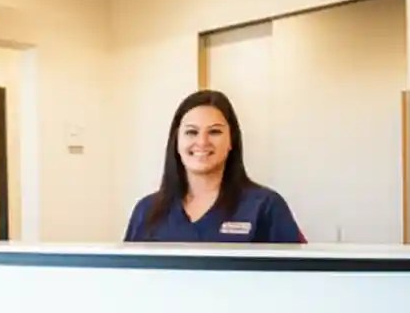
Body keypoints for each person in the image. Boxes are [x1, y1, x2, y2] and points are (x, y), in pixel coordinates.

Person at [124, 89, 306, 244]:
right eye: (191, 132)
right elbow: (126, 279)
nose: (202, 142)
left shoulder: (266, 207)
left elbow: (299, 278)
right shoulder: (146, 211)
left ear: (231, 140)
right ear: (176, 141)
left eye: (215, 132)